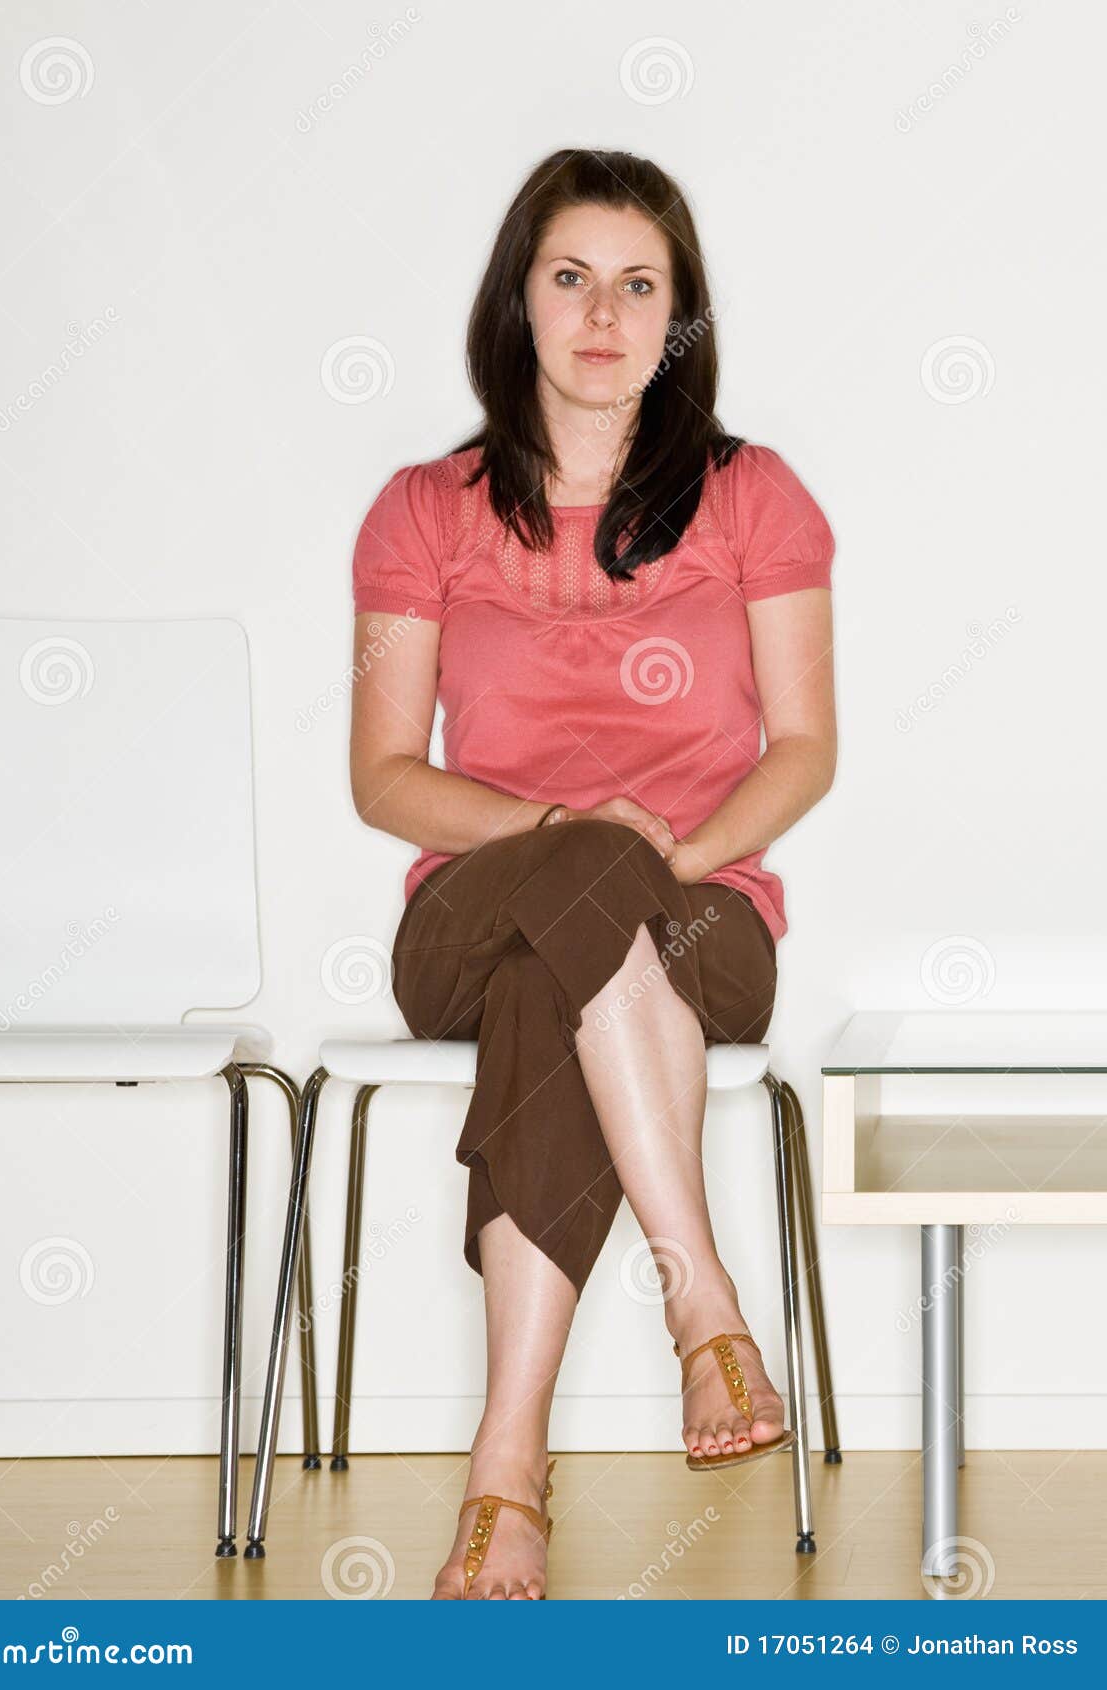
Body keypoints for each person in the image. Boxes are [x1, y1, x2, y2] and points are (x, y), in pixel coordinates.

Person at [348, 148, 837, 1599]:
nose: (603, 314)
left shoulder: (756, 499)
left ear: (678, 317)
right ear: (519, 300)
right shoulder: (421, 510)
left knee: (551, 983)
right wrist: (575, 832)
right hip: (469, 904)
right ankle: (705, 1303)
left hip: (704, 911)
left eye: (640, 285)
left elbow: (802, 748)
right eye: (570, 278)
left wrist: (664, 853)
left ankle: (506, 1470)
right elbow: (385, 778)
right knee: (562, 899)